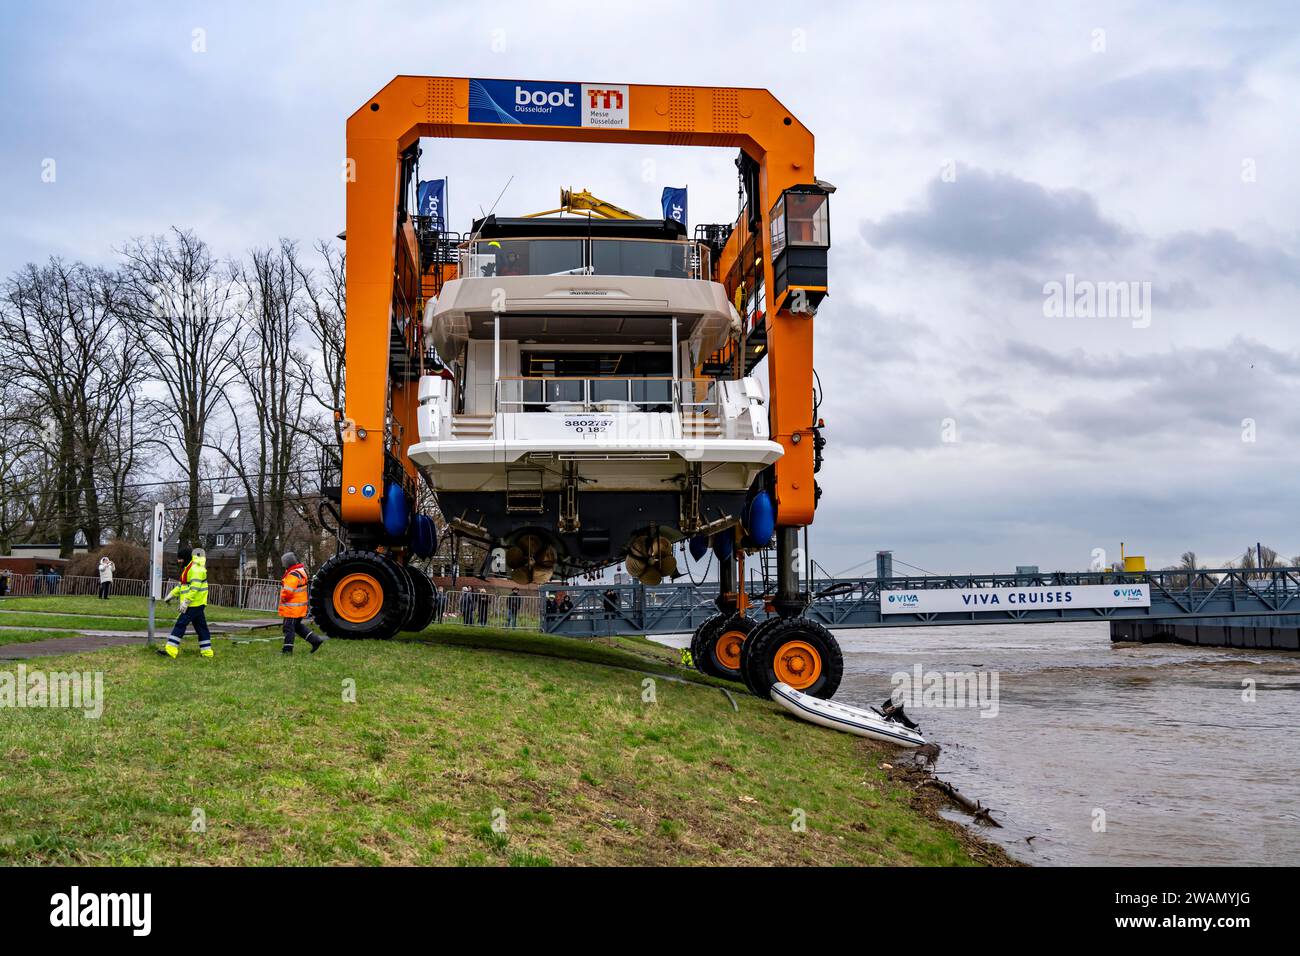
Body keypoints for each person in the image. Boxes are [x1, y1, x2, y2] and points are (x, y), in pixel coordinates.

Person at [160, 547, 212, 659]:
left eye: (180, 559)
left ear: (186, 558)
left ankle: (171, 650)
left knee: (181, 624)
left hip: (193, 604)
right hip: (196, 603)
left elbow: (194, 589)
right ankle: (207, 652)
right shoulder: (188, 569)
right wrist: (171, 595)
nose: (178, 561)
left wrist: (185, 603)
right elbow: (181, 586)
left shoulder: (195, 570)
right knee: (201, 627)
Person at [278, 551, 325, 655]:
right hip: (299, 607)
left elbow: (288, 591)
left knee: (288, 628)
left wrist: (283, 598)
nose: (283, 565)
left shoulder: (293, 574)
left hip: (292, 609)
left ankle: (287, 651)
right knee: (297, 627)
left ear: (287, 563)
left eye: (284, 563)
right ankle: (315, 640)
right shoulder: (300, 571)